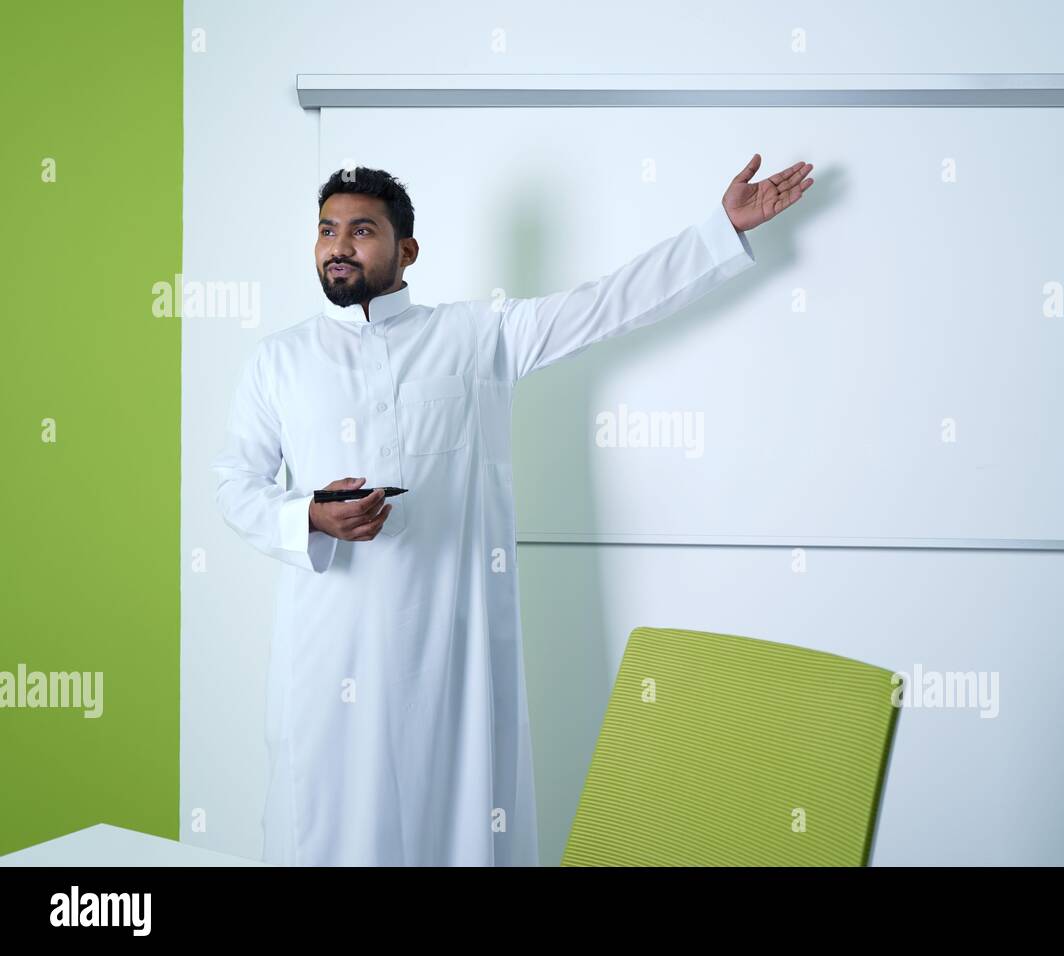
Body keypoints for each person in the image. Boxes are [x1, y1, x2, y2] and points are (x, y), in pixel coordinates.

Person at [211, 156, 814, 865]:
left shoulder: (475, 336)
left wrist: (717, 232)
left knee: (457, 825)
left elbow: (606, 304)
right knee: (332, 830)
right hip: (330, 652)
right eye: (327, 230)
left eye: (362, 230)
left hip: (450, 657)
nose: (339, 245)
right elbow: (235, 485)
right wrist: (309, 516)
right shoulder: (277, 362)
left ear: (406, 251)